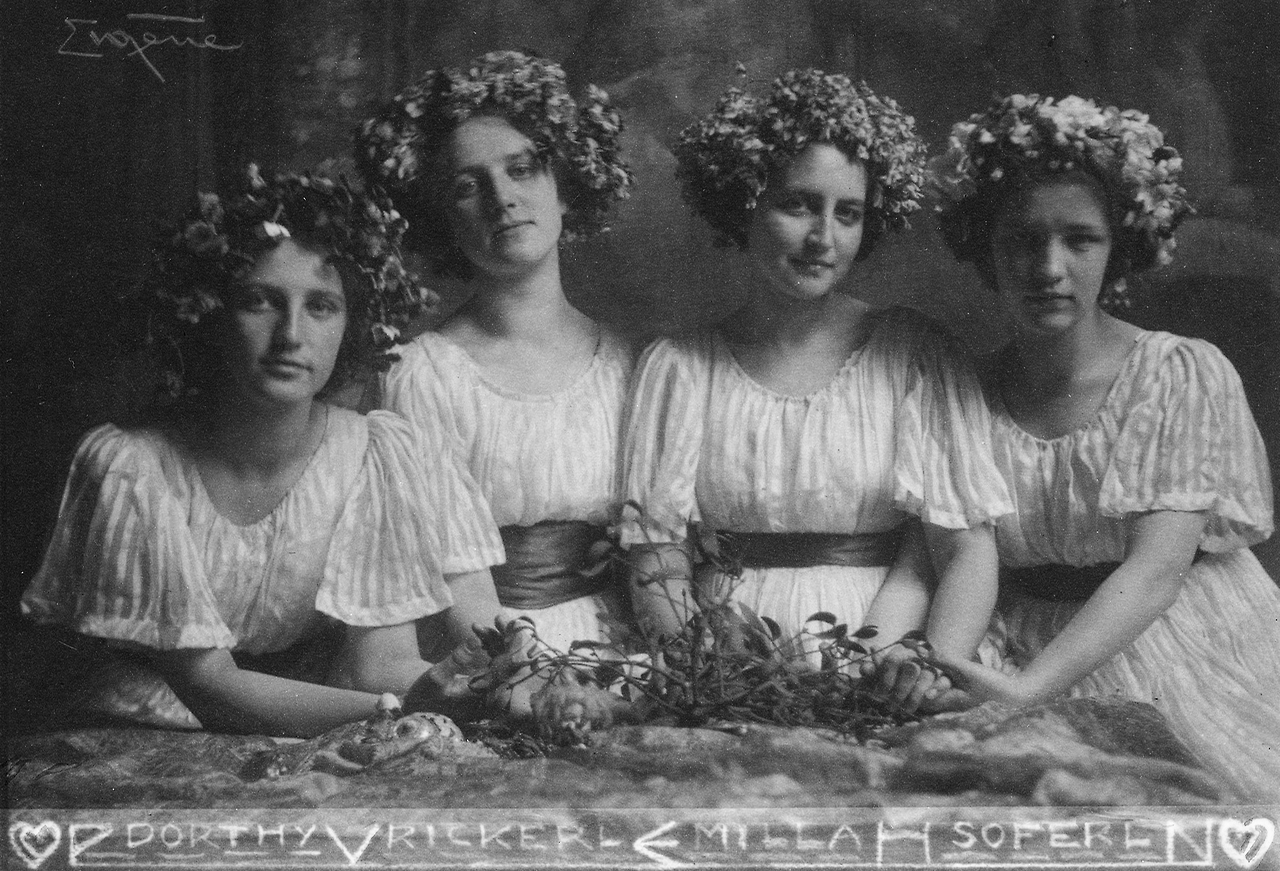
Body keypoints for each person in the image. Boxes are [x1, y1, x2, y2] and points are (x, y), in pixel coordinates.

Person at [22, 166, 508, 738]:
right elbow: (210, 688)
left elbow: (381, 663)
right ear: (207, 313)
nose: (291, 335)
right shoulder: (132, 469)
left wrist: (462, 691)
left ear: (353, 326)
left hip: (315, 717)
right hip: (145, 728)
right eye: (260, 301)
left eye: (322, 306)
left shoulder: (378, 455)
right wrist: (412, 711)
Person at [926, 93, 1280, 800]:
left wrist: (1026, 693)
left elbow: (1155, 572)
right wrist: (953, 668)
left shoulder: (1178, 373)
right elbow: (963, 557)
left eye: (1078, 239)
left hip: (1176, 646)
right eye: (1022, 239)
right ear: (987, 248)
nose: (1047, 266)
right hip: (1016, 643)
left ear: (1118, 246)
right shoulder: (963, 392)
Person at [619, 69, 1011, 693]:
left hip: (888, 654)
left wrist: (905, 666)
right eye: (797, 204)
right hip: (726, 664)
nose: (823, 239)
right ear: (741, 203)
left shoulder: (914, 355)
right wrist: (711, 673)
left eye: (847, 213)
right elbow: (656, 556)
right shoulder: (679, 367)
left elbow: (963, 550)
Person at [356, 50, 636, 663]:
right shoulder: (421, 374)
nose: (501, 197)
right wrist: (529, 673)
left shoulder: (630, 362)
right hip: (487, 648)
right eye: (466, 185)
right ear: (439, 220)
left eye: (523, 169)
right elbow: (457, 586)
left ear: (566, 186)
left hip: (625, 646)